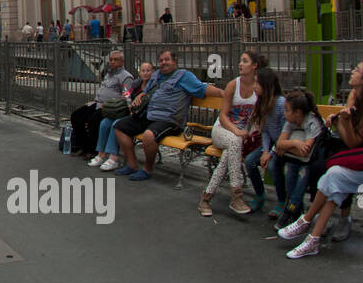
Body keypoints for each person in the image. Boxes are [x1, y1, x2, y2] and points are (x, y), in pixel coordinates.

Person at [280, 59, 363, 258]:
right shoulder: (357, 96)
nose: (351, 72)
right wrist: (341, 120)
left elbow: (353, 141)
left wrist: (341, 121)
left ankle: (305, 221)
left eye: (356, 70)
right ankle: (312, 239)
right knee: (333, 180)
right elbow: (351, 136)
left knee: (333, 175)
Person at [114, 49, 219, 181]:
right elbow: (147, 91)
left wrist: (224, 93)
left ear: (174, 61)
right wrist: (140, 95)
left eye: (167, 60)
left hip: (170, 120)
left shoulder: (184, 76)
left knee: (148, 135)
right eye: (161, 60)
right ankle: (132, 164)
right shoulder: (156, 75)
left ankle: (147, 169)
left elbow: (203, 88)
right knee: (120, 126)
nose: (163, 63)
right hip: (150, 115)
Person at [199, 52, 266, 216]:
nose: (240, 64)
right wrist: (236, 130)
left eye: (245, 61)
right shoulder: (233, 85)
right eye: (240, 61)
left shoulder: (259, 87)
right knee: (234, 142)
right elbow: (222, 115)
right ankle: (237, 194)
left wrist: (253, 132)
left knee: (229, 154)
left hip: (240, 135)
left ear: (254, 66)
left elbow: (259, 115)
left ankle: (206, 198)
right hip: (222, 130)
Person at [270, 90, 326, 228]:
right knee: (289, 175)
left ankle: (290, 210)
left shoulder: (312, 123)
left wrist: (287, 147)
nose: (284, 113)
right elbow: (279, 144)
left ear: (298, 113)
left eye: (287, 110)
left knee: (302, 177)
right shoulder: (290, 122)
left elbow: (305, 153)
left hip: (311, 162)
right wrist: (296, 143)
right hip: (293, 159)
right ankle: (295, 208)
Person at [70, 49, 133, 160]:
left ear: (122, 62)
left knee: (93, 121)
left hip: (110, 107)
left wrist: (110, 103)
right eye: (111, 59)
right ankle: (83, 146)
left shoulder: (126, 77)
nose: (112, 62)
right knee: (76, 116)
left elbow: (127, 96)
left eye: (116, 60)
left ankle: (94, 150)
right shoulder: (108, 74)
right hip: (97, 103)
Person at [244, 68, 285, 216]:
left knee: (273, 166)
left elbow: (286, 132)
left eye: (257, 83)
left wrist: (271, 152)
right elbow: (266, 131)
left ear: (266, 85)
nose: (254, 86)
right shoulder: (262, 103)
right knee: (250, 161)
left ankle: (282, 200)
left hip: (283, 145)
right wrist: (265, 150)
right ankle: (259, 195)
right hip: (271, 143)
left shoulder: (281, 104)